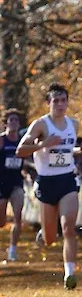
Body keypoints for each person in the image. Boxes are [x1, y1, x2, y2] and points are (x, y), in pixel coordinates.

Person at [16, 83, 82, 289]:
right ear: (48, 103)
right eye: (56, 101)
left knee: (69, 228)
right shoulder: (40, 125)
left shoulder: (74, 124)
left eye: (63, 100)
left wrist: (78, 150)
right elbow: (20, 150)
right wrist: (43, 144)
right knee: (49, 239)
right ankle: (45, 233)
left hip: (67, 180)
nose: (60, 104)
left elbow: (65, 150)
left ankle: (70, 274)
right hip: (47, 182)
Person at [0, 109, 25, 261]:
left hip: (16, 183)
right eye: (11, 120)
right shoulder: (2, 140)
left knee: (18, 216)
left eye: (16, 120)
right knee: (1, 222)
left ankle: (13, 249)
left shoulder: (22, 141)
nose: (14, 122)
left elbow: (27, 159)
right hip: (1, 183)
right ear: (6, 123)